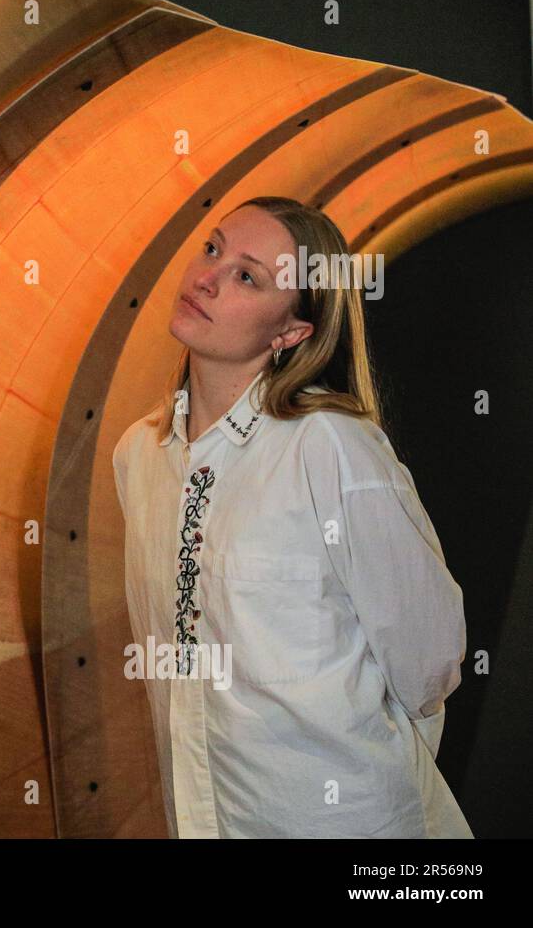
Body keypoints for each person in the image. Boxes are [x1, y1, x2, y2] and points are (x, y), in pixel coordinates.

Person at [111, 196, 472, 838]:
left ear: (291, 333)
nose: (207, 278)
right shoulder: (139, 455)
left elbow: (429, 657)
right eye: (213, 249)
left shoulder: (329, 446)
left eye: (247, 276)